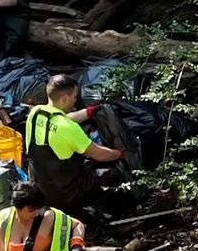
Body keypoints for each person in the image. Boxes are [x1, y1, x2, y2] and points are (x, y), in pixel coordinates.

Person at [25, 75, 126, 210]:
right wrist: (120, 154)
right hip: (65, 194)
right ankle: (106, 211)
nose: (76, 100)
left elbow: (62, 119)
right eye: (75, 97)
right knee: (114, 175)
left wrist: (88, 112)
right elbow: (99, 154)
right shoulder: (69, 128)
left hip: (39, 187)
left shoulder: (35, 113)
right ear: (65, 98)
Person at [0, 182, 86, 251]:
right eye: (31, 210)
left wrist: (76, 244)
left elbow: (77, 225)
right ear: (17, 207)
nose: (36, 213)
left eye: (38, 208)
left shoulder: (48, 218)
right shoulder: (2, 220)